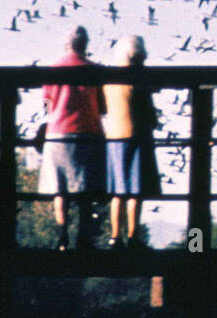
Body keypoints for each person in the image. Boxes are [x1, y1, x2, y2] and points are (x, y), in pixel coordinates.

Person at [40, 26, 106, 250]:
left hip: (57, 132)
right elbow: (103, 106)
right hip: (87, 131)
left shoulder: (52, 69)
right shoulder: (96, 70)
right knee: (85, 189)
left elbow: (47, 104)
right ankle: (84, 237)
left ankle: (62, 235)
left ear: (65, 43)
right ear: (86, 44)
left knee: (60, 188)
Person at [102, 35, 161, 249]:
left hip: (114, 137)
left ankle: (114, 237)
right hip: (138, 135)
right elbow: (149, 113)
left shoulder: (108, 79)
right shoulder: (139, 79)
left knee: (118, 191)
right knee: (136, 190)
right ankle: (134, 237)